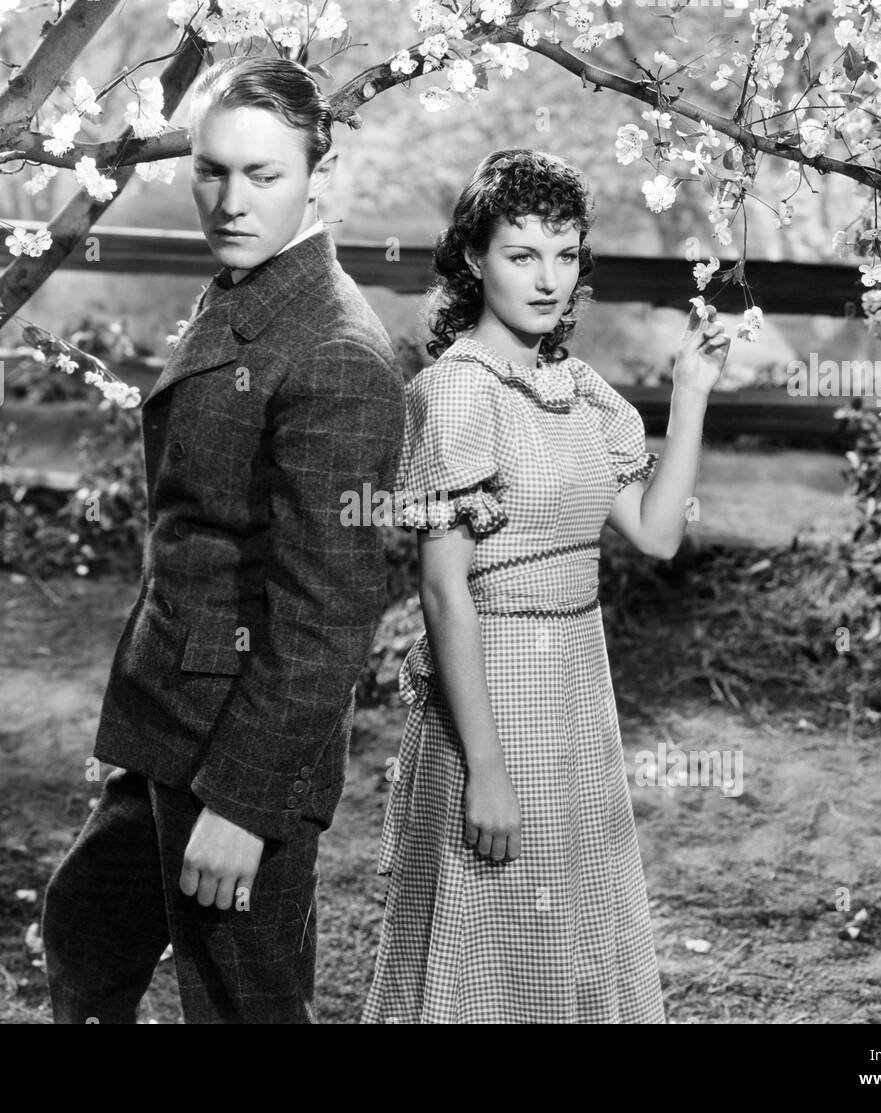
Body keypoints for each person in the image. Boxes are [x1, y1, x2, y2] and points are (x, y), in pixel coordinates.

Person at [42, 55, 405, 1024]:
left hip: (240, 745)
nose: (230, 200)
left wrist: (243, 806)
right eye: (211, 171)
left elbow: (327, 616)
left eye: (263, 176)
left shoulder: (333, 351)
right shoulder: (244, 293)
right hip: (171, 713)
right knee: (85, 925)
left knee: (242, 1005)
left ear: (317, 182)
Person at [362, 148, 730, 1023]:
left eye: (564, 254)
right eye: (522, 254)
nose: (547, 277)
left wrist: (691, 397)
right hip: (493, 695)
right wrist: (486, 768)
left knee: (567, 923)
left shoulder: (582, 392)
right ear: (474, 260)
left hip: (577, 690)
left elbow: (657, 532)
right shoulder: (455, 394)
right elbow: (446, 592)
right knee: (486, 928)